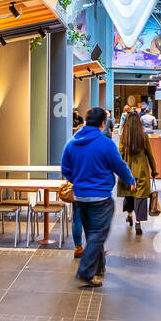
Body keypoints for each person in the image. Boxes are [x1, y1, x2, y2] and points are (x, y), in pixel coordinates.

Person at [60, 107, 133, 287]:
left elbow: (65, 169)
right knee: (97, 235)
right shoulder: (106, 143)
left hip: (80, 197)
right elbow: (119, 165)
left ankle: (99, 268)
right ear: (102, 124)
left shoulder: (71, 143)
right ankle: (85, 272)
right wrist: (129, 179)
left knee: (93, 233)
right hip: (100, 198)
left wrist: (78, 181)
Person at [117, 112, 157, 235]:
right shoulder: (144, 136)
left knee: (129, 194)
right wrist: (154, 170)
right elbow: (150, 155)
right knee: (140, 198)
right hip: (142, 172)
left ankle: (129, 214)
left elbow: (120, 155)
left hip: (128, 172)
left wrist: (120, 170)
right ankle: (138, 223)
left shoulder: (124, 137)